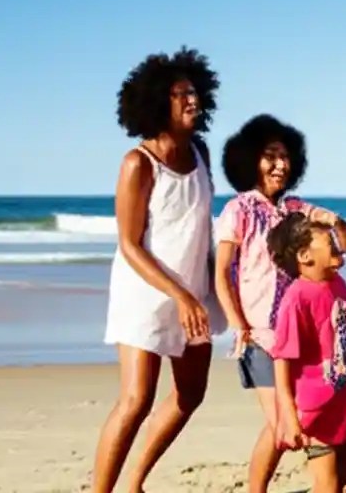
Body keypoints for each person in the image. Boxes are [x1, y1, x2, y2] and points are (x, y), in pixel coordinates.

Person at [94, 47, 228, 493]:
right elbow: (129, 245)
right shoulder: (138, 164)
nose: (192, 101)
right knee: (136, 401)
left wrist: (213, 288)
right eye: (180, 95)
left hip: (194, 293)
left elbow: (199, 227)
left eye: (194, 93)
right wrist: (180, 296)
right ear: (155, 103)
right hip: (146, 295)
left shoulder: (201, 152)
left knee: (191, 395)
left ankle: (135, 482)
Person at [213, 114, 346, 493]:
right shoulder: (239, 210)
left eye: (285, 157)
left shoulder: (297, 207)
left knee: (309, 414)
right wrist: (238, 325)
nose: (280, 164)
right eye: (270, 156)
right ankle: (257, 489)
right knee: (283, 421)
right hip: (261, 335)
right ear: (250, 160)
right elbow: (222, 272)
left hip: (305, 332)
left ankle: (341, 476)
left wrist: (337, 221)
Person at [268, 211, 346, 493]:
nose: (335, 243)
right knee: (328, 483)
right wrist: (288, 413)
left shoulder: (336, 282)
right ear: (304, 256)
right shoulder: (297, 298)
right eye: (328, 241)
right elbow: (282, 358)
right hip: (316, 408)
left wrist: (336, 221)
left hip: (344, 400)